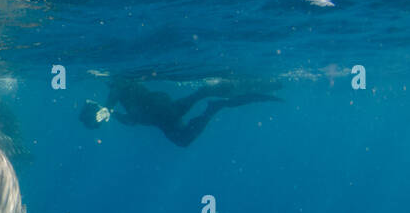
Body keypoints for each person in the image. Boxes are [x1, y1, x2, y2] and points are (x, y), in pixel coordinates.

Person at [80, 79, 281, 147]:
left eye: (97, 120)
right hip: (165, 113)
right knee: (193, 101)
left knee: (183, 138)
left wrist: (108, 106)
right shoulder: (112, 111)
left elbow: (120, 85)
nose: (101, 121)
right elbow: (132, 119)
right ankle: (212, 96)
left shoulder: (114, 94)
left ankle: (213, 104)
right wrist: (111, 111)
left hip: (161, 111)